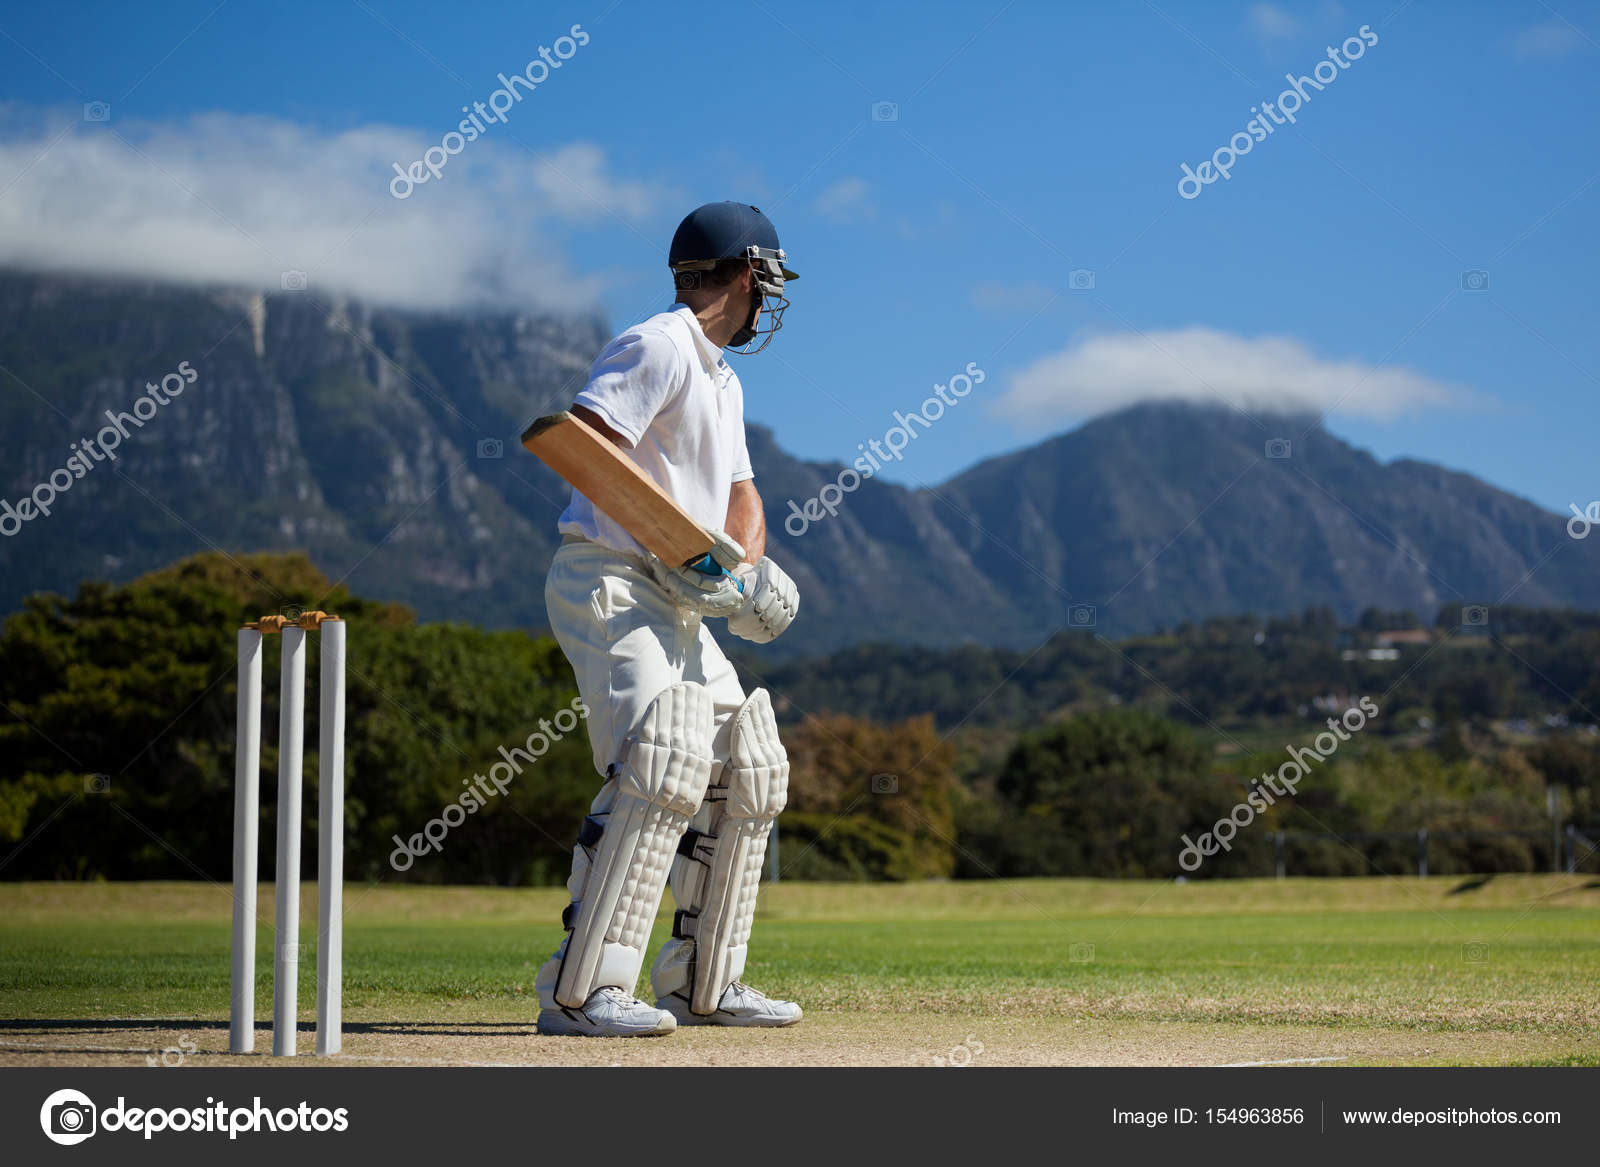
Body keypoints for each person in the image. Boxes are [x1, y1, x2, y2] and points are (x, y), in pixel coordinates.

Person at [534, 202, 804, 1037]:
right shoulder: (659, 344)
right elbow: (583, 443)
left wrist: (742, 572)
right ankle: (582, 992)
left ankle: (705, 983)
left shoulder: (723, 377)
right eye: (767, 281)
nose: (770, 300)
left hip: (680, 598)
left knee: (748, 767)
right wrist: (672, 546)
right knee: (662, 759)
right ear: (744, 274)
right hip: (611, 579)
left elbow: (740, 495)